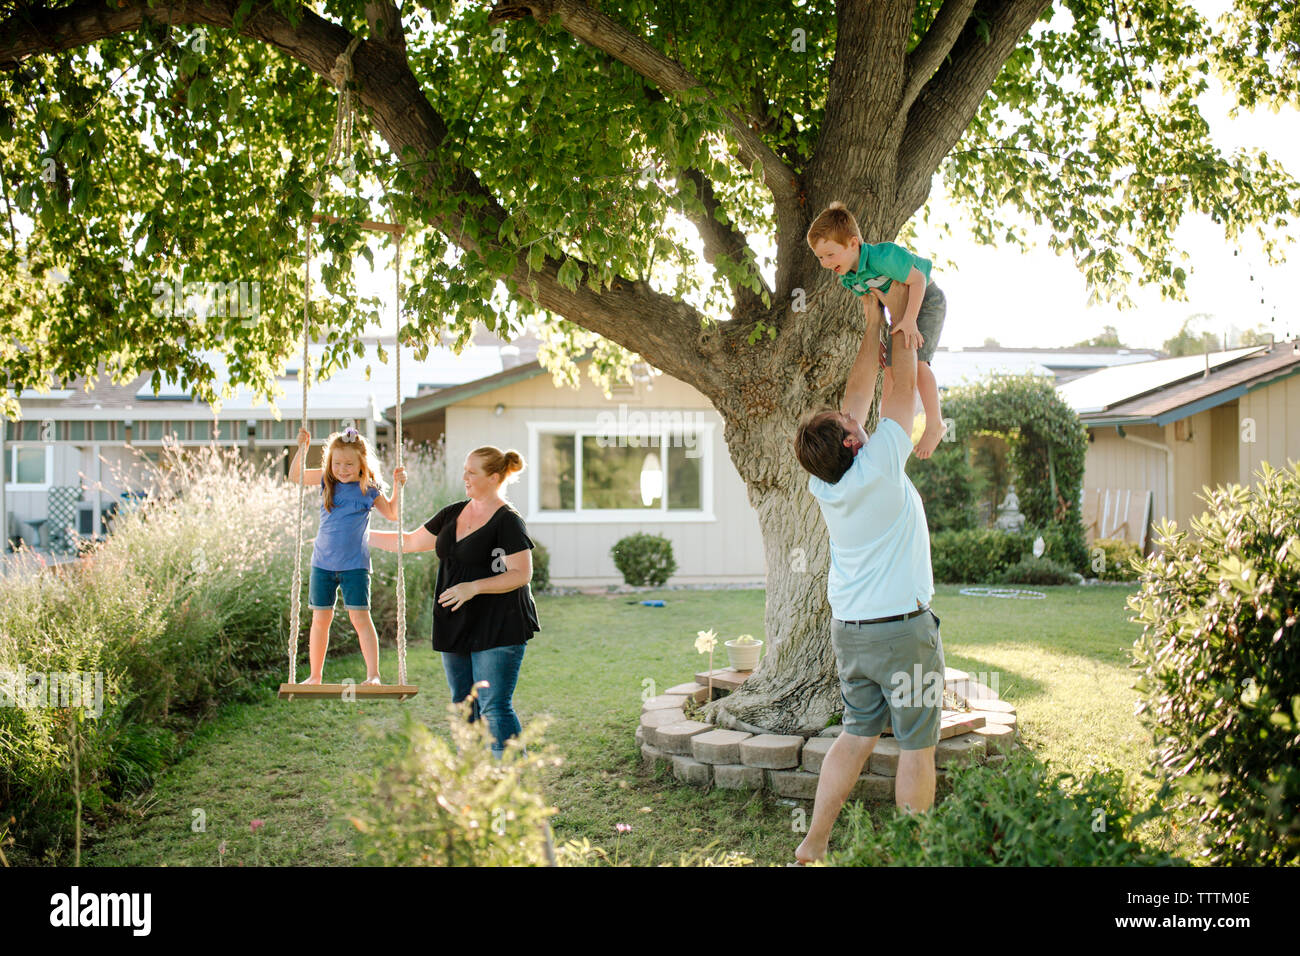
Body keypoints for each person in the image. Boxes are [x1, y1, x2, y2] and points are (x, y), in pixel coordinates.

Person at [790, 296, 944, 864]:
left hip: (850, 634)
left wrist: (866, 325)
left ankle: (814, 843)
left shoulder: (825, 483)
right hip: (902, 635)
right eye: (853, 423)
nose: (855, 415)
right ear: (855, 442)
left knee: (855, 736)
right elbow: (900, 390)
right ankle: (914, 856)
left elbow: (857, 397)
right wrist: (903, 323)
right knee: (916, 748)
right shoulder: (881, 464)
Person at [370, 446, 539, 758]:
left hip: (499, 625)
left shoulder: (508, 521)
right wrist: (357, 536)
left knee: (493, 706)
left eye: (472, 472)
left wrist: (472, 587)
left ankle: (514, 782)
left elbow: (521, 574)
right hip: (456, 624)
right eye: (465, 470)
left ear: (495, 477)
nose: (465, 477)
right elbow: (408, 541)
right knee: (464, 702)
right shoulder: (453, 513)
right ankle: (473, 775)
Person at [806, 200, 949, 459]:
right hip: (899, 311)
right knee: (891, 371)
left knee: (918, 363)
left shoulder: (883, 256)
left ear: (852, 243)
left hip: (925, 300)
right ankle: (889, 430)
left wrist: (910, 320)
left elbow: (918, 279)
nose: (825, 263)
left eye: (830, 254)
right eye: (820, 257)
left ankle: (935, 422)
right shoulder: (848, 277)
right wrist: (880, 337)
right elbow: (873, 305)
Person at [288, 425, 407, 686]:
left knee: (360, 618)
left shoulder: (369, 489)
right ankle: (315, 676)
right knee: (320, 620)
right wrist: (302, 448)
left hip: (355, 566)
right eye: (337, 463)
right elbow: (295, 475)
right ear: (330, 463)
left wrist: (398, 487)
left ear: (361, 464)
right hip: (322, 564)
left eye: (349, 464)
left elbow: (392, 514)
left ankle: (373, 675)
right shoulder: (326, 481)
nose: (342, 469)